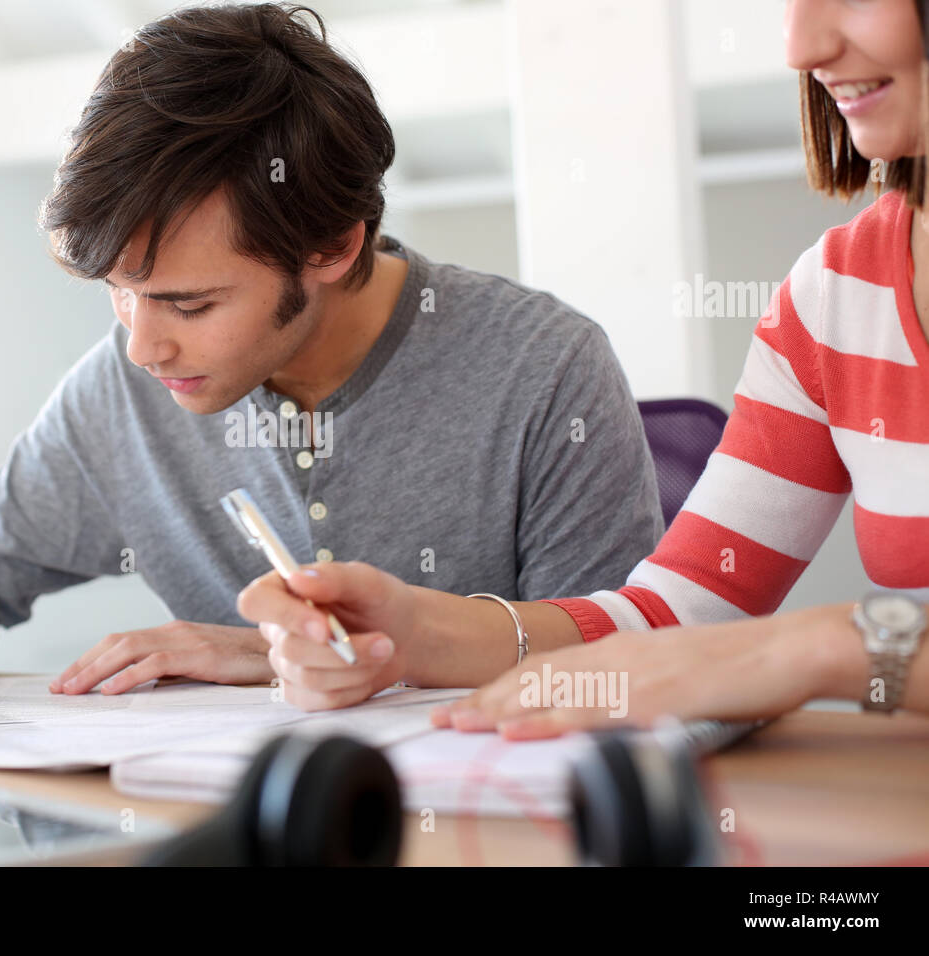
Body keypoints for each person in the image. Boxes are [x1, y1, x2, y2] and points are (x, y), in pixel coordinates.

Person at [0, 3, 663, 708]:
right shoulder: (121, 391)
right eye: (119, 289)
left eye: (189, 302)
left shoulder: (544, 372)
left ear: (330, 247)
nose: (142, 347)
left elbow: (625, 676)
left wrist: (292, 654)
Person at [238, 0, 929, 728]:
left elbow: (749, 648)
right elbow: (677, 614)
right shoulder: (834, 296)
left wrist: (824, 647)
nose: (800, 46)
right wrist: (416, 633)